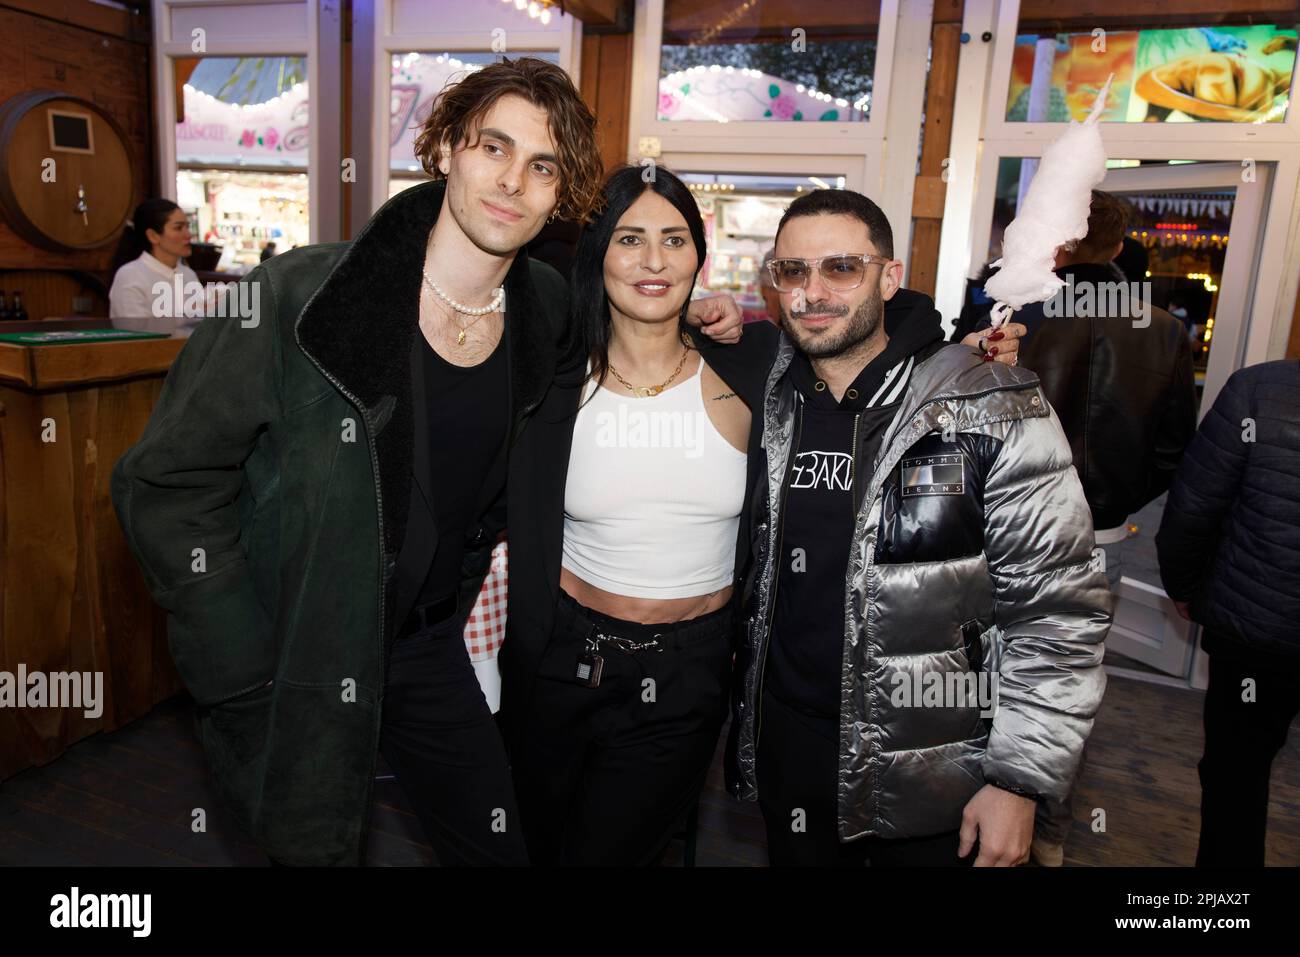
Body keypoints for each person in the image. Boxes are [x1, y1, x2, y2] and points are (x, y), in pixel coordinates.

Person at [109, 57, 743, 867]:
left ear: (561, 195)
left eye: (543, 165)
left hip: (428, 645)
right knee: (312, 849)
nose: (513, 180)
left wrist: (705, 317)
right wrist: (238, 660)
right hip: (305, 643)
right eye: (493, 147)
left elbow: (625, 340)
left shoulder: (543, 310)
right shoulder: (299, 295)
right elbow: (163, 484)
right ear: (446, 148)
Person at [727, 187, 1111, 867]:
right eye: (792, 271)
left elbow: (1058, 612)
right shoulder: (772, 386)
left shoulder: (991, 405)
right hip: (792, 756)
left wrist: (1018, 780)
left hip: (933, 781)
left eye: (841, 268)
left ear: (889, 275)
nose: (813, 292)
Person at [501, 165, 773, 865]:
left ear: (698, 258)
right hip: (561, 660)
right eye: (630, 239)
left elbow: (881, 329)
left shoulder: (753, 370)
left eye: (674, 240)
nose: (654, 260)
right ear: (598, 256)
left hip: (688, 671)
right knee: (541, 845)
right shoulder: (549, 383)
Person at [1001, 189, 1197, 865]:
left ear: (1059, 241)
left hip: (1008, 532)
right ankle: (1048, 837)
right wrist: (1111, 503)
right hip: (1100, 541)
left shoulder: (1013, 317)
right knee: (1066, 690)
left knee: (990, 679)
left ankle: (984, 821)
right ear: (1117, 248)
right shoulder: (1167, 330)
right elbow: (1176, 450)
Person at [1156, 359, 1300, 867]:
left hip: (1253, 637)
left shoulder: (1261, 389)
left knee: (1236, 780)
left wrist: (1184, 585)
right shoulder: (1258, 392)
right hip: (1255, 624)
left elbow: (1193, 506)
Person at [108, 198, 202, 336]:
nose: (188, 235)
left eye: (187, 227)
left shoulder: (188, 275)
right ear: (153, 236)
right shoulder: (130, 275)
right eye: (178, 228)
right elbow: (133, 332)